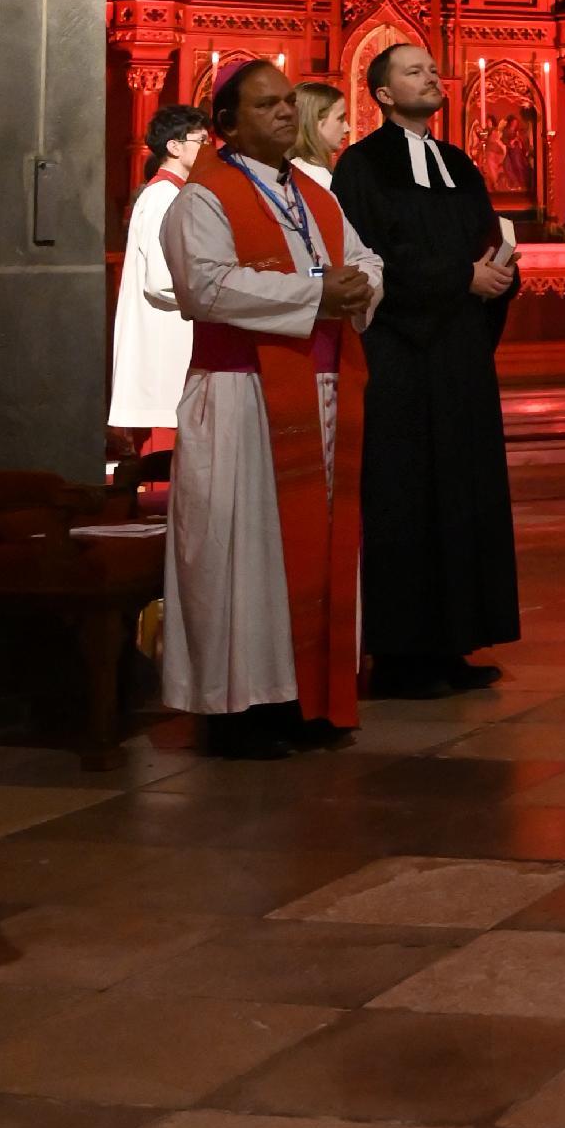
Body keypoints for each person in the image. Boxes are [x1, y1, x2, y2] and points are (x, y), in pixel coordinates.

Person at [160, 57, 381, 759]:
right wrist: (319, 295)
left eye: (290, 102)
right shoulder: (203, 199)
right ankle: (234, 710)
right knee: (239, 556)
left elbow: (349, 258)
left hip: (318, 391)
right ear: (226, 124)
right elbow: (208, 286)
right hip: (240, 396)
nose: (287, 113)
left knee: (311, 556)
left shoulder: (312, 194)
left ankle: (301, 700)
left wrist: (342, 284)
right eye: (267, 105)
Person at [333, 41, 521, 698]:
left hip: (459, 353)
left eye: (431, 69)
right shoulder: (361, 165)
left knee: (461, 491)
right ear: (382, 94)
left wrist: (497, 273)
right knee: (405, 495)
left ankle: (452, 644)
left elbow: (484, 237)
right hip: (401, 352)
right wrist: (457, 278)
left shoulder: (458, 162)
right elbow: (368, 256)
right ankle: (401, 656)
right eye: (413, 71)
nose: (430, 78)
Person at [107, 104, 208, 440]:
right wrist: (213, 294)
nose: (208, 149)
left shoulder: (175, 193)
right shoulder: (162, 196)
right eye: (201, 141)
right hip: (166, 331)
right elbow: (161, 278)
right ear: (174, 146)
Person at [293, 79, 351, 185]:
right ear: (315, 121)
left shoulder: (292, 170)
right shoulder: (315, 178)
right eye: (340, 119)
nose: (347, 128)